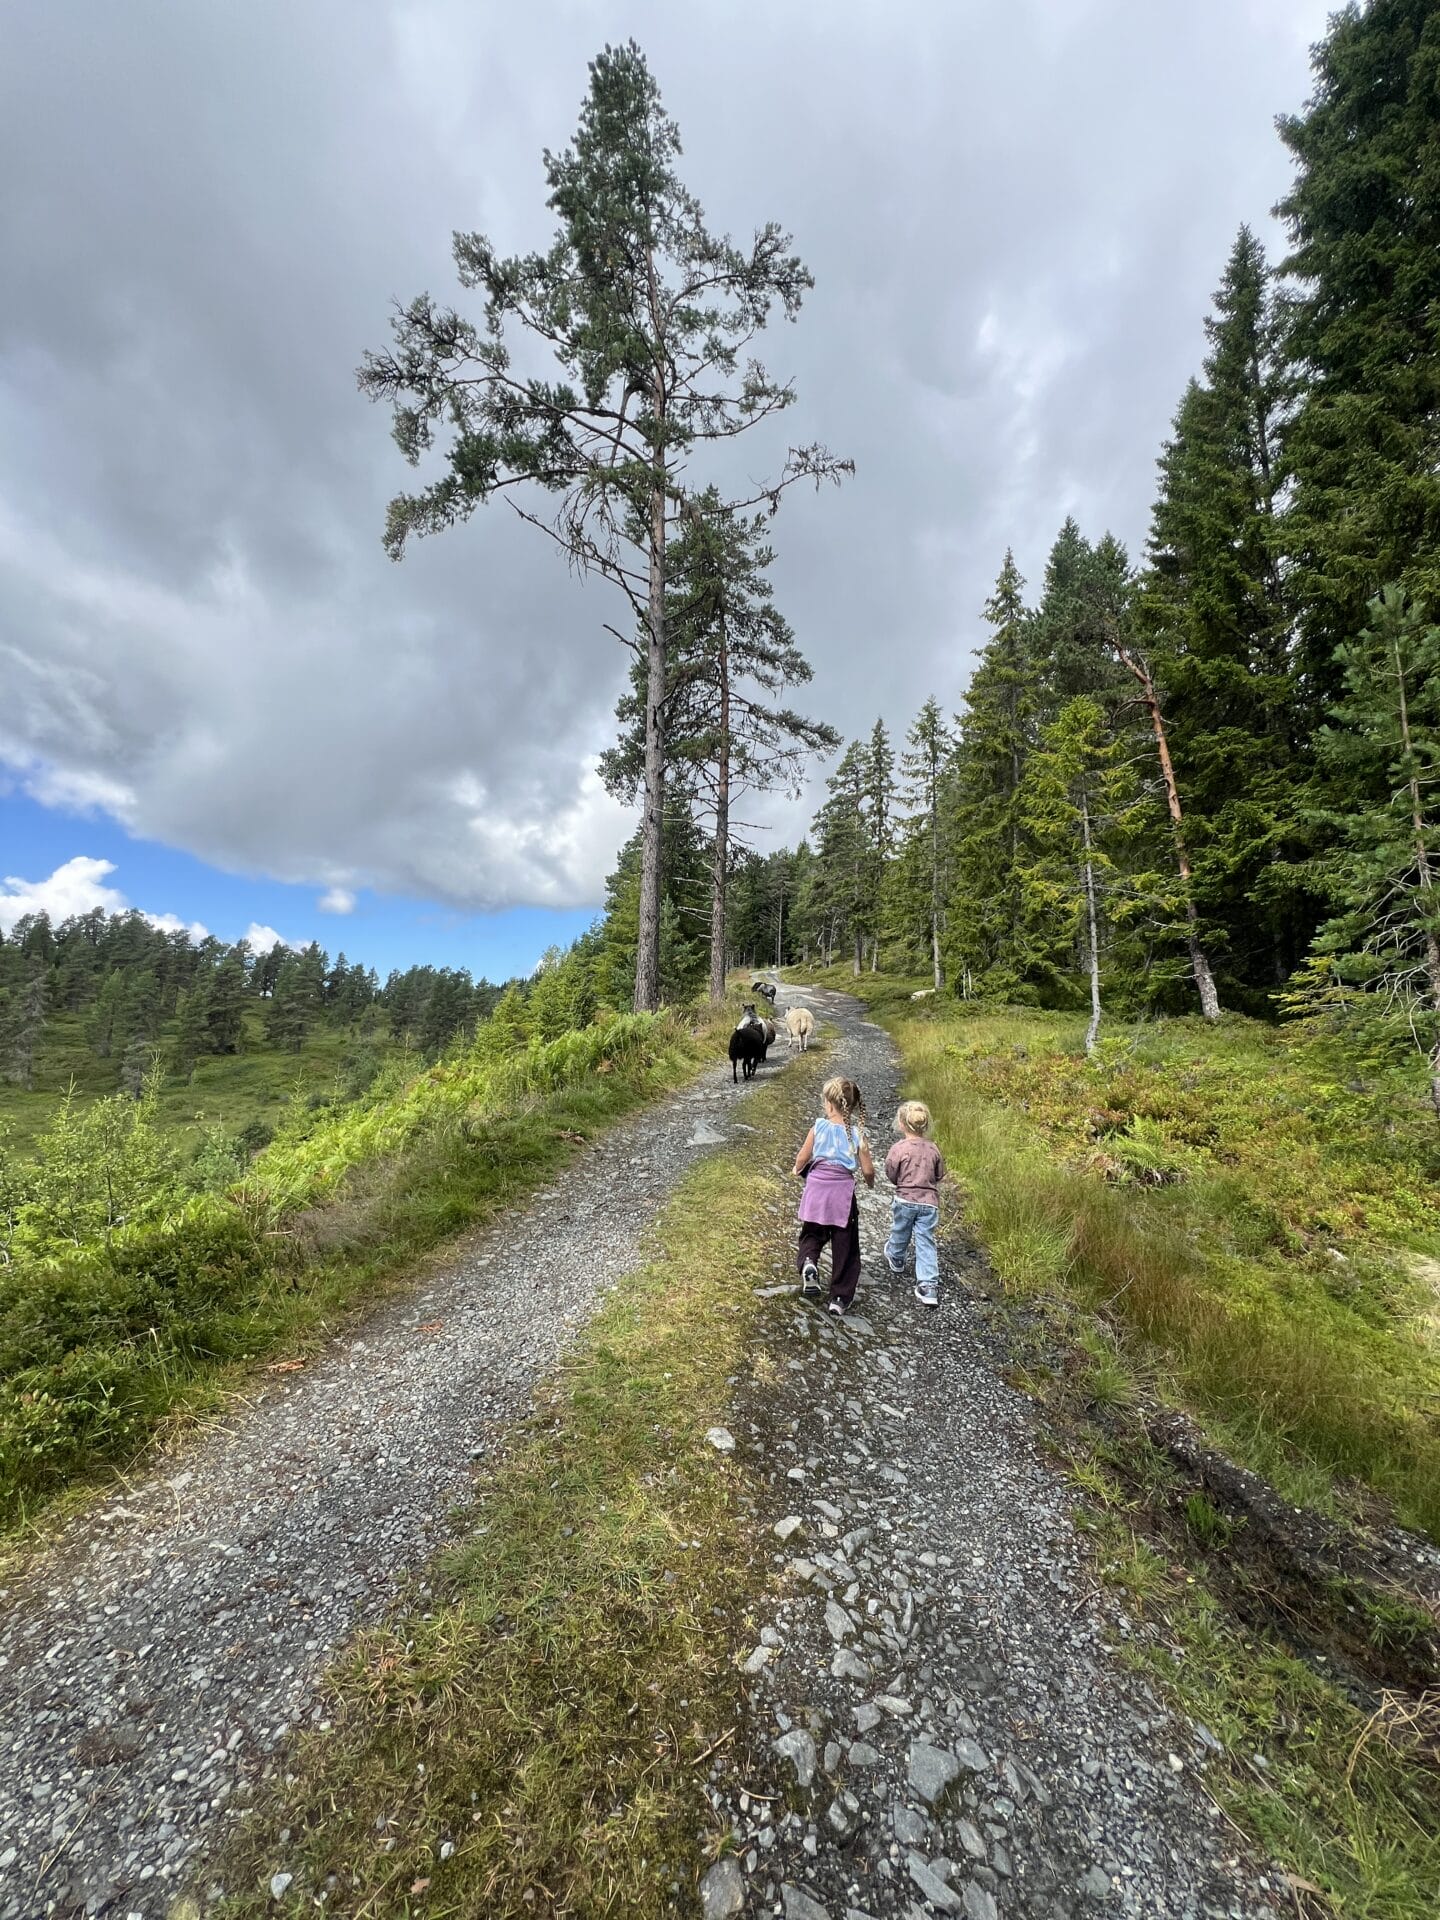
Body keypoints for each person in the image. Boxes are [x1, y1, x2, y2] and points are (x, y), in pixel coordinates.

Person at [792, 1076, 875, 1316]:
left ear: (829, 1105)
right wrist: (870, 1183)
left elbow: (802, 1157)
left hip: (817, 1189)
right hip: (842, 1195)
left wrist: (797, 1169)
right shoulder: (857, 1134)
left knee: (811, 1232)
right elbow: (868, 1170)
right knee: (845, 1244)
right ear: (854, 1106)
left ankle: (809, 1262)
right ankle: (839, 1297)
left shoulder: (818, 1126)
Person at [884, 1100, 945, 1307]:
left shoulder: (899, 1148)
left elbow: (891, 1172)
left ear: (901, 1124)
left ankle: (896, 1257)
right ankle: (928, 1285)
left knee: (901, 1229)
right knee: (925, 1239)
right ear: (925, 1125)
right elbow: (939, 1174)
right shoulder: (933, 1149)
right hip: (929, 1203)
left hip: (905, 1199)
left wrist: (901, 1182)